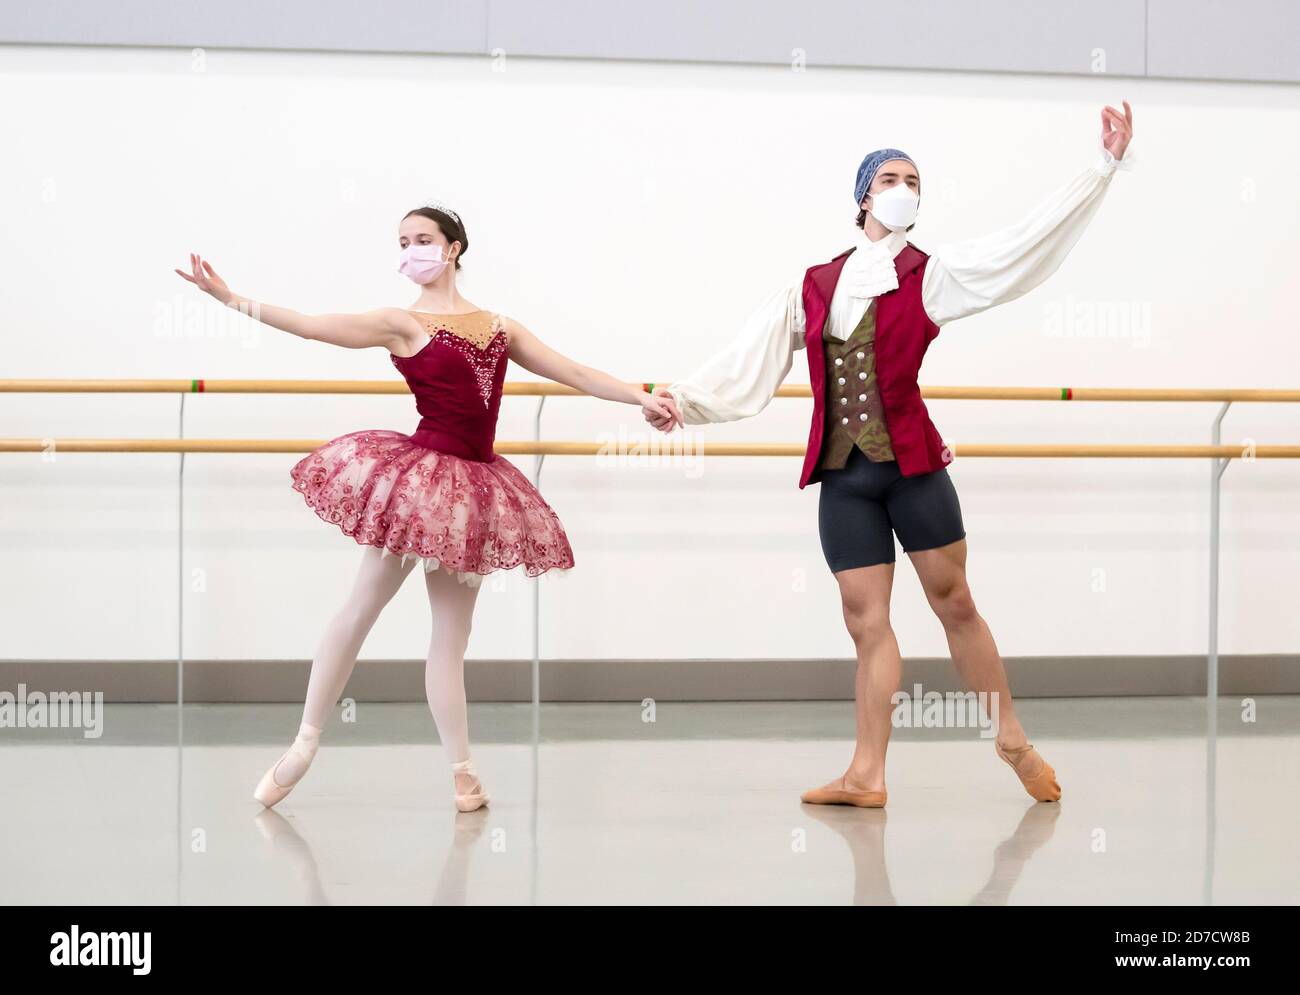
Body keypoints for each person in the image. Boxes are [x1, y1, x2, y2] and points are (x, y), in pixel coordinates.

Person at [646, 103, 1136, 807]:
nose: (905, 188)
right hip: (844, 477)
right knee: (864, 620)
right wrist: (684, 401)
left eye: (915, 180)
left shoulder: (931, 275)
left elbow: (1023, 248)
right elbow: (746, 360)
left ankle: (1012, 739)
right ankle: (866, 774)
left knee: (955, 600)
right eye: (891, 178)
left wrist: (1102, 168)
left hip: (914, 468)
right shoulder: (811, 285)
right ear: (863, 197)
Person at [175, 201, 677, 812]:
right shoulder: (401, 323)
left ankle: (463, 773)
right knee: (363, 605)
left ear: (452, 248)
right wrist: (233, 301)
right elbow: (313, 325)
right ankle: (304, 742)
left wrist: (638, 397)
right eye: (402, 241)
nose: (409, 249)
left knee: (451, 638)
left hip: (474, 492)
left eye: (421, 238)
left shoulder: (499, 327)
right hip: (418, 483)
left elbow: (570, 369)